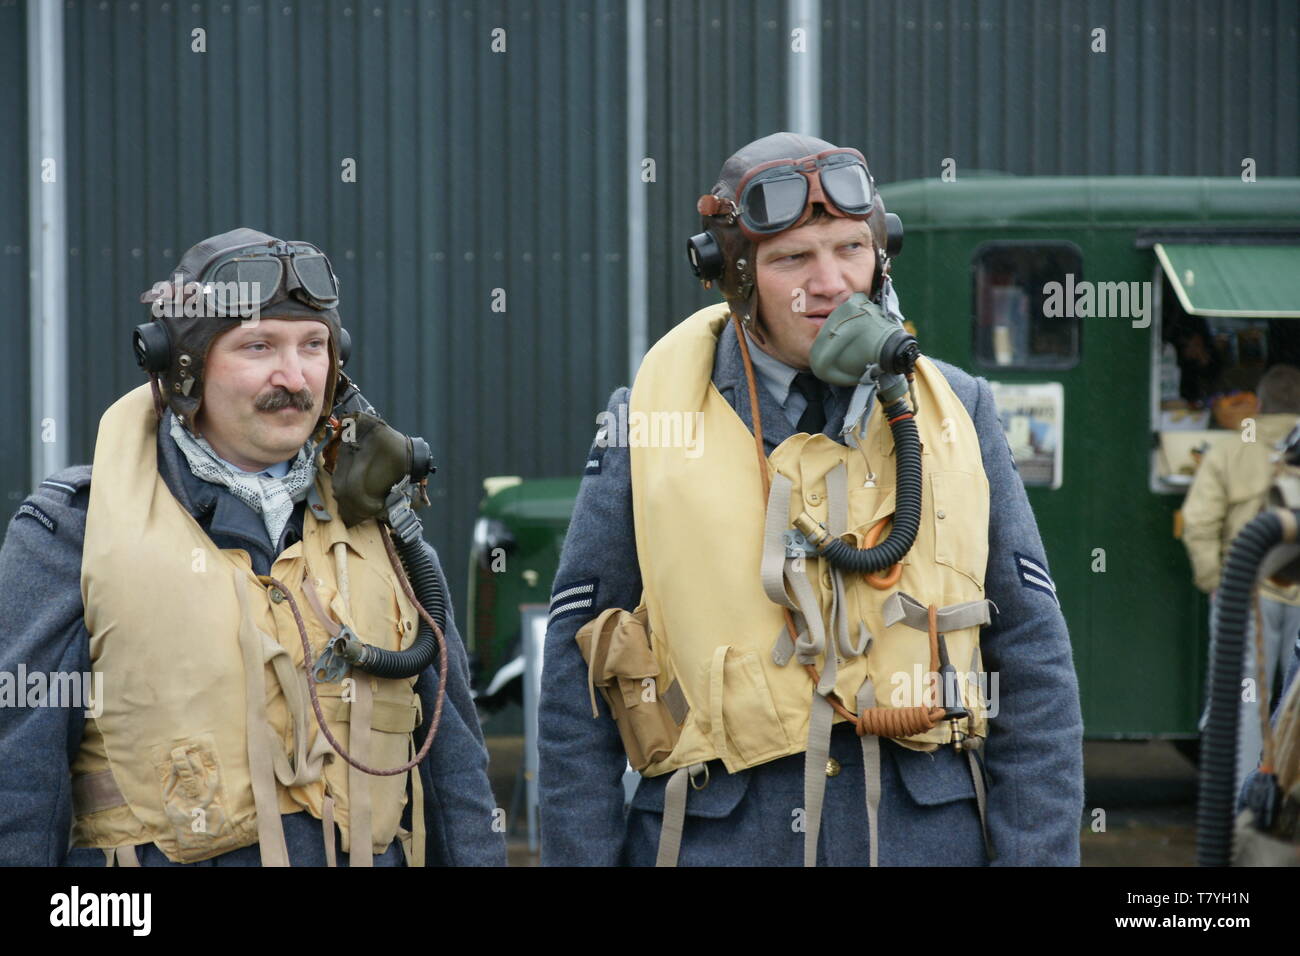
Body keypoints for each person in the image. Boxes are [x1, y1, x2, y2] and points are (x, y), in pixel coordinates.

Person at [538, 133, 1084, 867]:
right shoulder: (648, 419)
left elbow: (1033, 663)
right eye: (793, 258)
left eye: (850, 249)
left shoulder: (959, 409)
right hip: (714, 839)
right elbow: (580, 684)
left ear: (880, 255)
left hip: (924, 838)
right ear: (736, 277)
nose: (830, 283)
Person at [0, 228, 505, 867]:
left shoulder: (387, 530)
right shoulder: (75, 531)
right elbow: (18, 781)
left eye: (313, 346)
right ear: (182, 366)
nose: (293, 377)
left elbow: (456, 776)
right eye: (258, 346)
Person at [1183, 363, 1300, 793]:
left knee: (1245, 705)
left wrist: (1215, 582)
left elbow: (1199, 522)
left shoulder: (1232, 450)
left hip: (1245, 597)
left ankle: (1239, 813)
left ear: (1261, 404)